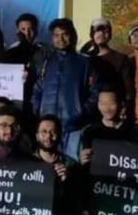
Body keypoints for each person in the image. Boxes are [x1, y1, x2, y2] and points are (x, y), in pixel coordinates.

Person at [31, 18, 96, 161]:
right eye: (56, 35)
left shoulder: (84, 62)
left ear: (72, 35)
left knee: (72, 166)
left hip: (74, 127)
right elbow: (37, 89)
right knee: (48, 166)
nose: (61, 39)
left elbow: (94, 93)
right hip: (48, 127)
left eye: (64, 34)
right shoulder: (47, 61)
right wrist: (38, 110)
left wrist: (81, 112)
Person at [32, 115, 85, 215]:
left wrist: (65, 183)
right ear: (37, 136)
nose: (48, 137)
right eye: (44, 132)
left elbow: (77, 206)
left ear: (60, 135)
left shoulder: (72, 165)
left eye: (53, 132)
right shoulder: (27, 163)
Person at [81, 18, 135, 117]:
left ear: (110, 34)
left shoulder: (121, 58)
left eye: (105, 31)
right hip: (89, 109)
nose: (101, 34)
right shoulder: (84, 58)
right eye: (97, 30)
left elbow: (128, 86)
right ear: (92, 34)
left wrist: (126, 105)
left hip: (113, 109)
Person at [79, 88, 138, 167]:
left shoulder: (132, 132)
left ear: (121, 104)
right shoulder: (90, 132)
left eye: (111, 103)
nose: (107, 108)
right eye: (103, 104)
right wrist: (83, 159)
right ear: (98, 105)